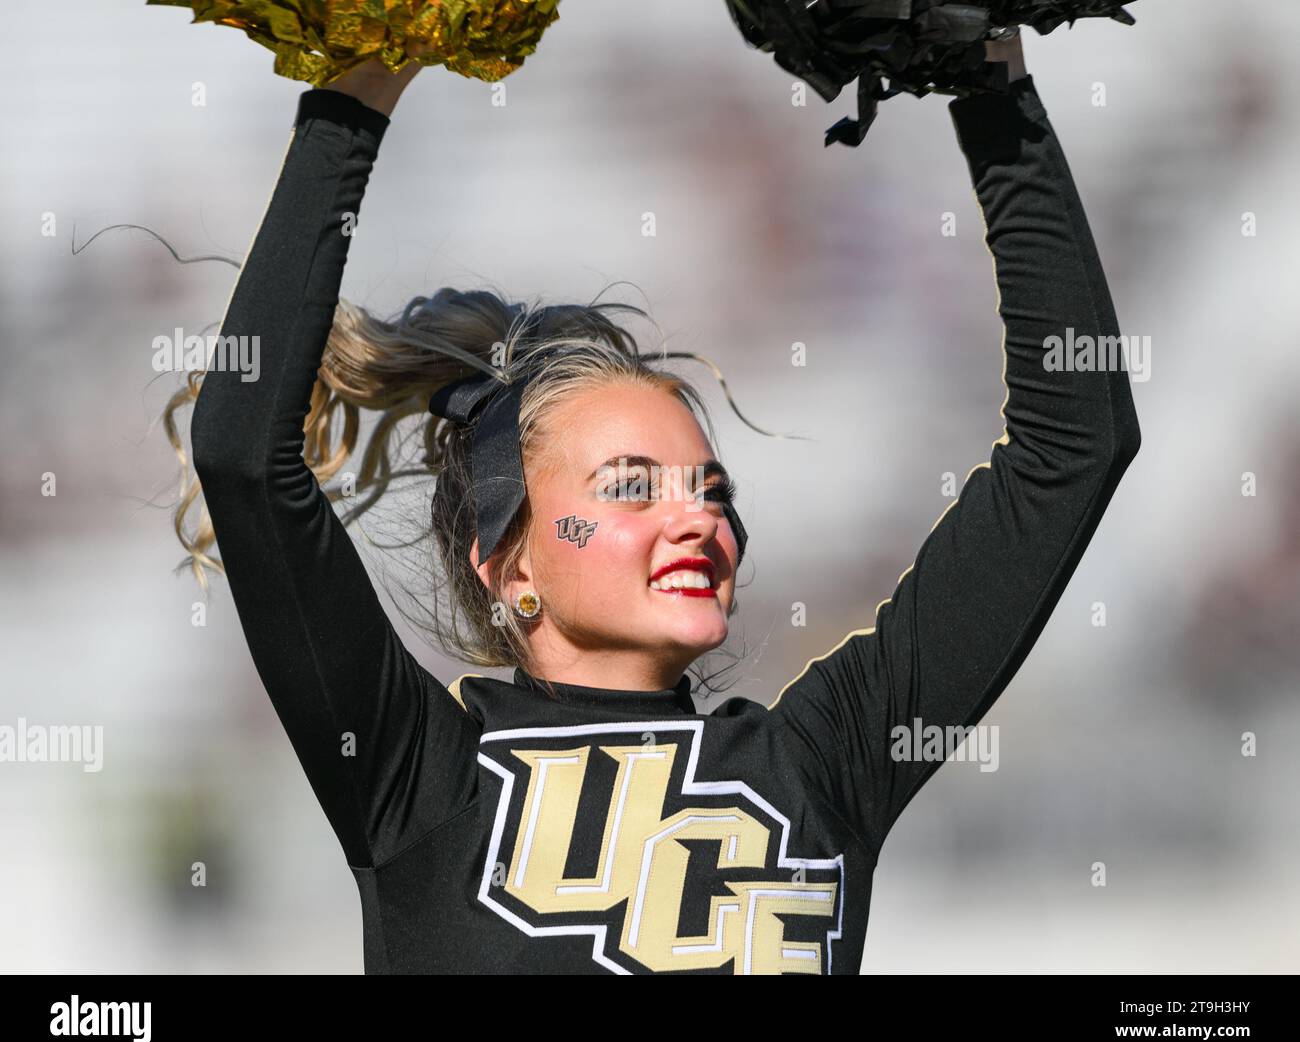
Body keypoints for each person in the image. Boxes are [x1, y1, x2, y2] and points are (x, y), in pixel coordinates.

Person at [172, 32, 1140, 973]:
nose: (699, 520)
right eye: (631, 487)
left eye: (709, 489)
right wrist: (353, 94)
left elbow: (1074, 446)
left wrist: (987, 74)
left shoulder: (821, 762)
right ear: (507, 563)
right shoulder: (421, 785)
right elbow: (246, 456)